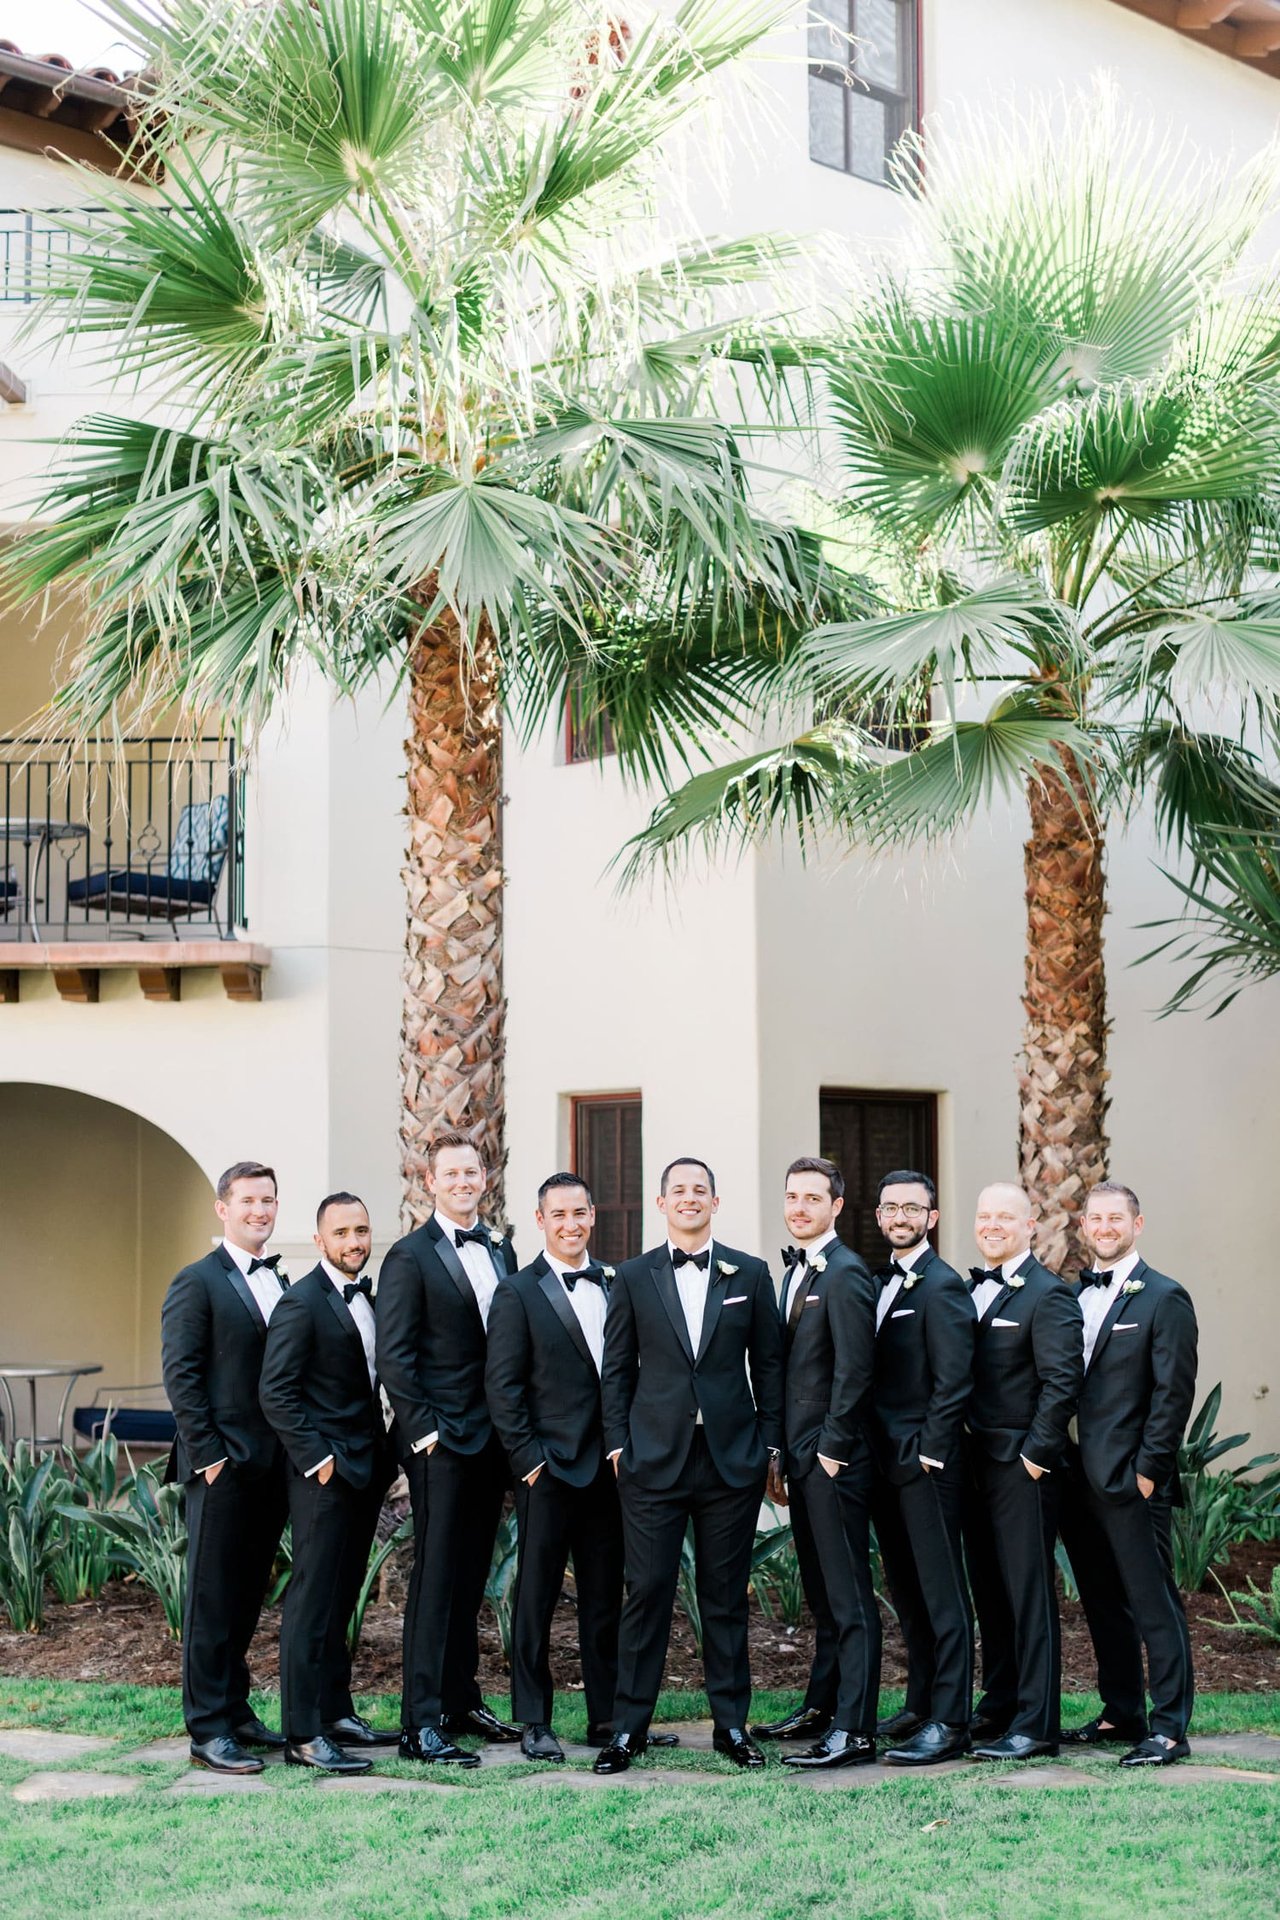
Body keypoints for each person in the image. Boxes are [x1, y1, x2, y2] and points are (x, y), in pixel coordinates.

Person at [595, 1157, 784, 1774]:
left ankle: (731, 1726)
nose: (689, 1199)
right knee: (646, 1593)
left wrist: (768, 1444)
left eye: (700, 1190)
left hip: (731, 1460)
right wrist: (619, 1443)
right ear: (661, 1202)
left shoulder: (751, 1274)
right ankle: (629, 1729)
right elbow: (617, 1367)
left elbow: (771, 1368)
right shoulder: (631, 1275)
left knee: (724, 1597)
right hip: (652, 1459)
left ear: (714, 1201)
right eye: (678, 1190)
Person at [376, 1131, 520, 1766]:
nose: (464, 1181)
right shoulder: (409, 1257)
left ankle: (461, 1700)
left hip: (492, 1441)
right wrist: (425, 1432)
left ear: (484, 1178)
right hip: (441, 1444)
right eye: (452, 1173)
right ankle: (420, 1721)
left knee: (469, 1577)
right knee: (435, 1578)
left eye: (473, 1171)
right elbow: (395, 1355)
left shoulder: (501, 1248)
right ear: (429, 1180)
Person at [485, 1173, 634, 1763]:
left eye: (580, 1213)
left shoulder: (617, 1283)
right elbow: (503, 1386)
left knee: (604, 1597)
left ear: (592, 1216)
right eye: (559, 1214)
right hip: (546, 1470)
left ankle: (606, 1716)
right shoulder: (518, 1293)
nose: (571, 1224)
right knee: (536, 1598)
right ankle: (534, 1719)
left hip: (609, 1470)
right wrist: (528, 1462)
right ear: (541, 1220)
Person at [1058, 1181, 1199, 1766]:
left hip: (1131, 1480)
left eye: (1117, 1218)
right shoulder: (1072, 1296)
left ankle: (1169, 1729)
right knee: (1101, 1601)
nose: (1105, 1227)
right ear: (1084, 1227)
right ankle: (1122, 1712)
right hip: (1076, 1479)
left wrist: (1148, 1472)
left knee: (1152, 1602)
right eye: (1096, 1218)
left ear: (1137, 1225)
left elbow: (1173, 1393)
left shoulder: (1165, 1297)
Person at [259, 1191, 399, 1774]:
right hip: (324, 1476)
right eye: (341, 1233)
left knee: (341, 1598)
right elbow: (276, 1391)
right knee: (311, 1603)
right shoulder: (301, 1302)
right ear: (320, 1241)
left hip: (366, 1471)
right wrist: (318, 1458)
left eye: (361, 1231)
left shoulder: (367, 1295)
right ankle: (302, 1734)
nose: (354, 1243)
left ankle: (337, 1711)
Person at [161, 1160, 290, 1774]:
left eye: (267, 1200)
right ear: (223, 1208)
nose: (259, 1210)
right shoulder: (196, 1281)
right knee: (211, 1600)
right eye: (248, 1201)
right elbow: (181, 1377)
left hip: (269, 1467)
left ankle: (236, 1711)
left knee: (244, 1598)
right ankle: (207, 1729)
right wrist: (210, 1457)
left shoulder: (281, 1282)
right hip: (219, 1466)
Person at [752, 1157, 879, 1772]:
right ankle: (821, 1707)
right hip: (799, 1459)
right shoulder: (794, 1274)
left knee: (850, 1598)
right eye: (792, 1195)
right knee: (825, 1598)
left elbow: (857, 1371)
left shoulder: (849, 1274)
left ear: (836, 1207)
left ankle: (855, 1730)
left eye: (813, 1198)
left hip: (834, 1462)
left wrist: (831, 1451)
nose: (800, 1207)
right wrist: (780, 1452)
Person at [962, 1183, 1083, 1761]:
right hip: (972, 1467)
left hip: (1022, 1469)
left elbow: (1064, 1382)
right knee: (990, 1589)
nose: (992, 1225)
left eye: (1005, 1216)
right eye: (984, 1216)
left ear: (1030, 1224)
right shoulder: (969, 1291)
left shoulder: (1048, 1295)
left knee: (1029, 1595)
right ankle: (1001, 1701)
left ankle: (1036, 1725)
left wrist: (1035, 1455)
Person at [869, 1169, 976, 1767]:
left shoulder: (943, 1285)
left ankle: (951, 1720)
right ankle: (919, 1702)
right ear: (880, 1216)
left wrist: (930, 1450)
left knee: (942, 1594)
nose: (901, 1217)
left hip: (926, 1464)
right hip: (884, 1465)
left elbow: (955, 1377)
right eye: (891, 1208)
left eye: (913, 1208)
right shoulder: (882, 1279)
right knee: (906, 1591)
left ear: (931, 1218)